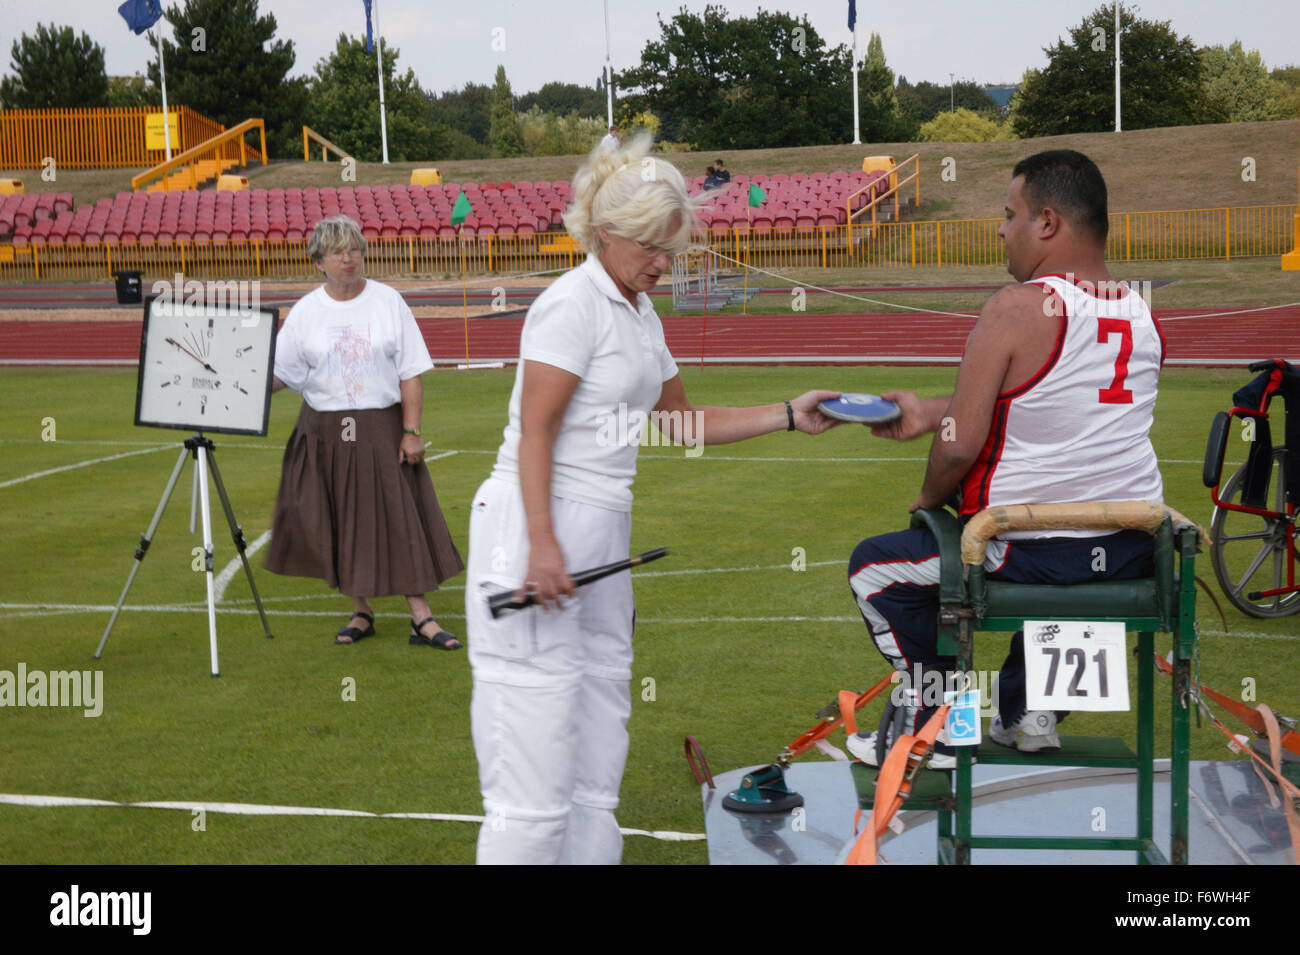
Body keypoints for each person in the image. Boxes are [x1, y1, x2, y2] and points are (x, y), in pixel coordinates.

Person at [465, 133, 840, 865]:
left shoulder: (640, 312)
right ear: (607, 234)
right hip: (533, 530)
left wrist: (788, 412)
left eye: (671, 248)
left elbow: (679, 420)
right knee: (533, 794)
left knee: (597, 777)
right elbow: (535, 431)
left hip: (602, 542)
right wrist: (544, 544)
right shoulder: (569, 305)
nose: (664, 264)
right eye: (652, 248)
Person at [847, 150, 1165, 766]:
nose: (1000, 229)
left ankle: (933, 723)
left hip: (1031, 548)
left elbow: (961, 443)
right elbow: (1054, 398)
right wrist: (929, 410)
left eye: (1008, 213)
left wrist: (928, 500)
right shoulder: (1140, 311)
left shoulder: (1018, 306)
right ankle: (1027, 712)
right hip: (1128, 548)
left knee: (875, 569)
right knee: (1074, 569)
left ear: (1047, 222)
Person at [266, 215, 464, 650]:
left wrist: (411, 430)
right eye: (337, 251)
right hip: (323, 429)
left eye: (354, 248)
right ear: (319, 261)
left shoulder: (388, 301)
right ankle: (361, 611)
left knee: (400, 519)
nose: (348, 257)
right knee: (339, 521)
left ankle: (422, 618)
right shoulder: (305, 312)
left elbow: (411, 372)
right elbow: (282, 375)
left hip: (379, 426)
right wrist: (239, 380)